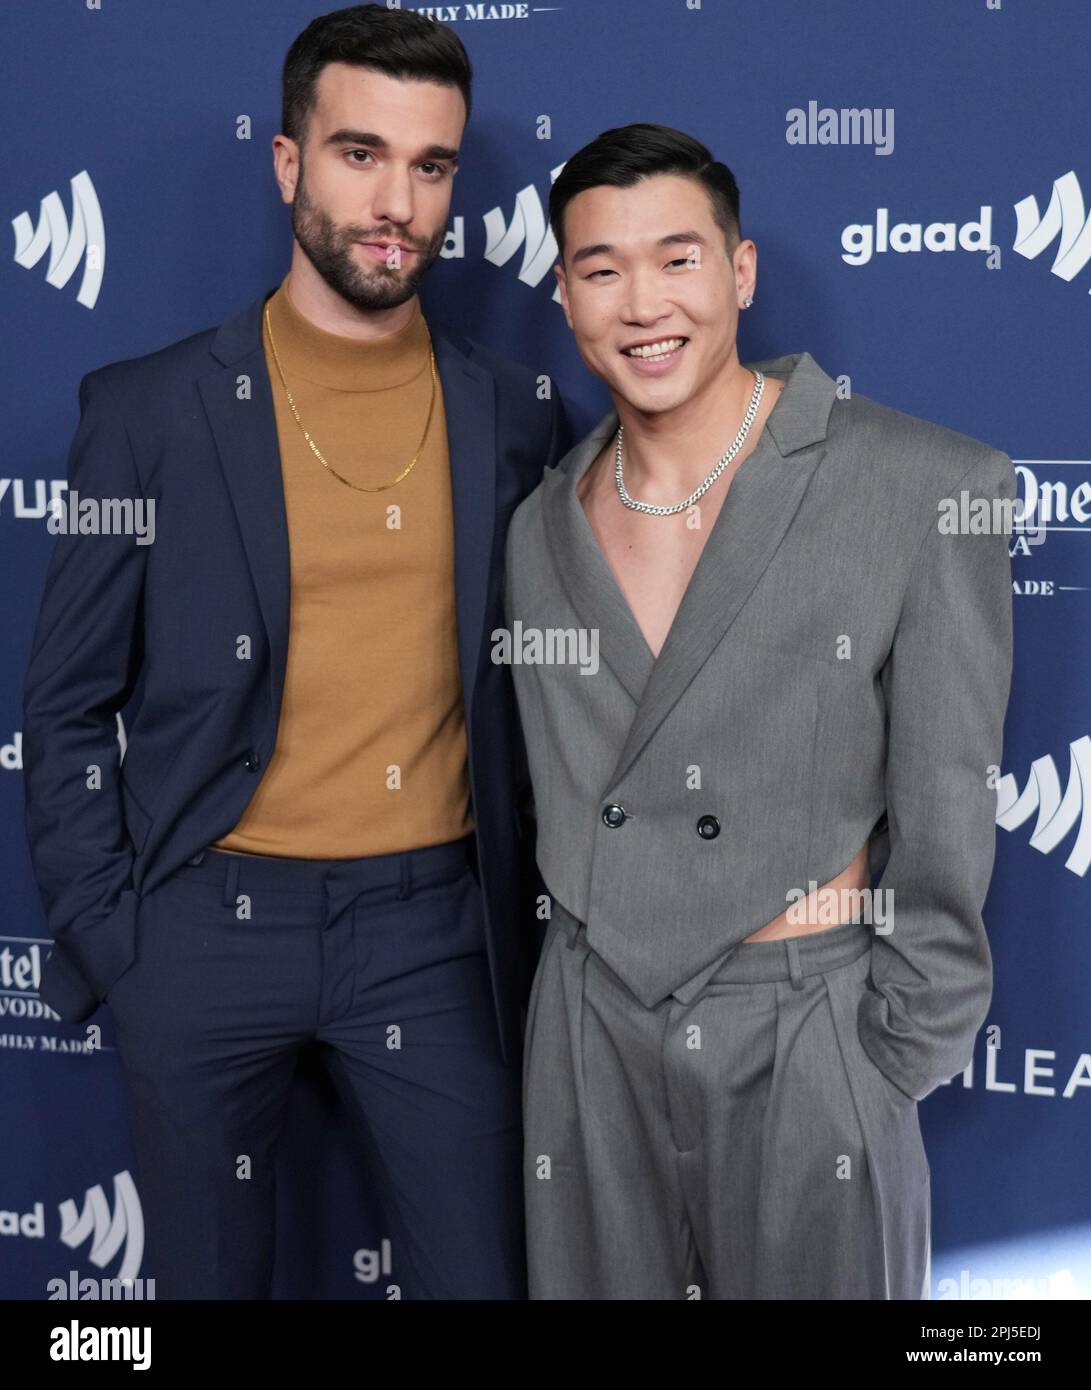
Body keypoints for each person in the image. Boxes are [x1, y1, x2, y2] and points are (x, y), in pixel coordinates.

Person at [22, 4, 570, 1300]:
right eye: (359, 154)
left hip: (437, 935)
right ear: (288, 164)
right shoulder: (147, 408)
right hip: (206, 927)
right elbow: (64, 703)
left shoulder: (517, 414)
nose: (396, 201)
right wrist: (118, 942)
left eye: (429, 167)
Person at [504, 123, 1016, 1299]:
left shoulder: (921, 483)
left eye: (676, 259)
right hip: (590, 1033)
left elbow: (947, 795)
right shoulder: (538, 527)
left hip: (808, 1029)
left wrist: (885, 1050)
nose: (642, 302)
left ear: (737, 274)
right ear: (566, 296)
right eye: (599, 269)